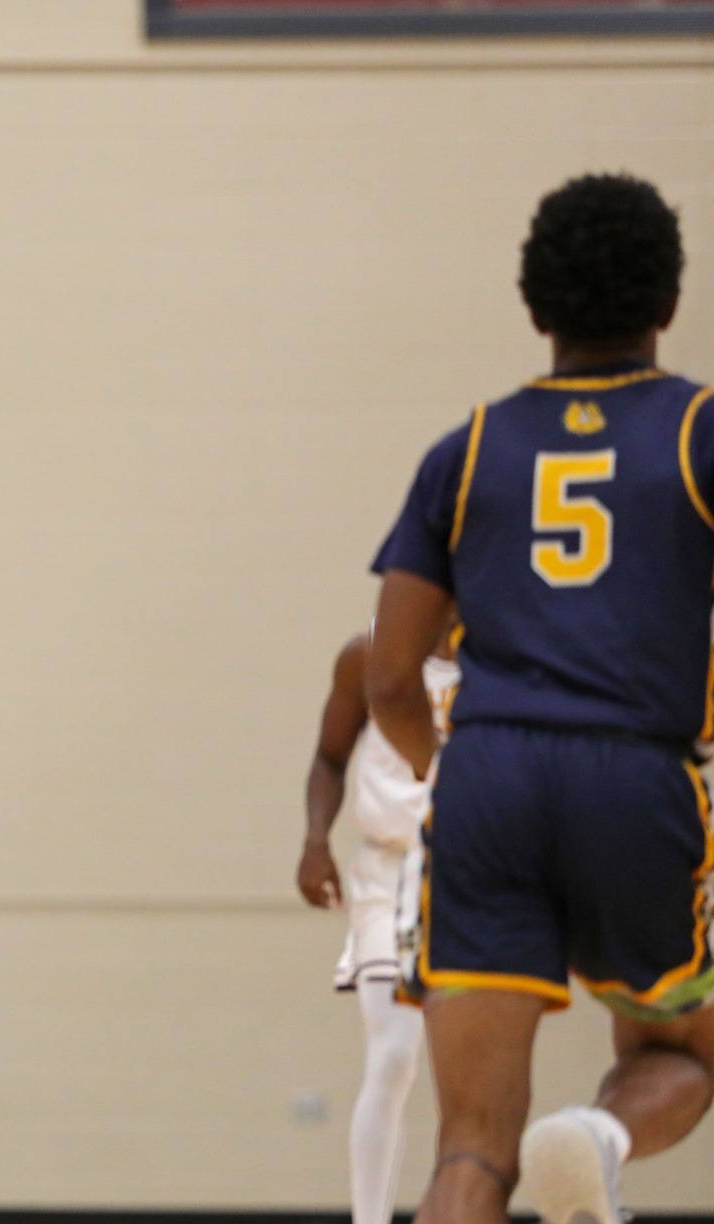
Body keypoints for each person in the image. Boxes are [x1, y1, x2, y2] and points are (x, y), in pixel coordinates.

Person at [368, 173, 714, 1224]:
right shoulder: (699, 432)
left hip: (487, 777)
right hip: (637, 775)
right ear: (668, 301)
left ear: (535, 308)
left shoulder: (464, 451)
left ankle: (517, 1165)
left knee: (470, 1146)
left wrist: (450, 772)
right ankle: (598, 1138)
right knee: (681, 1051)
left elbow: (389, 677)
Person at [300, 621, 459, 1224]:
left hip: (477, 871)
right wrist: (315, 841)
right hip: (388, 872)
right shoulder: (369, 652)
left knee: (467, 1074)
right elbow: (329, 756)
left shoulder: (509, 650)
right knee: (393, 1054)